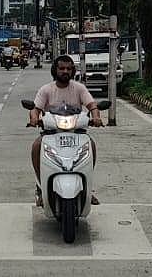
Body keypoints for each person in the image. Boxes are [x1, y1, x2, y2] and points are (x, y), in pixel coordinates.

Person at [28, 55, 102, 205]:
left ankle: (87, 188)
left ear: (73, 71)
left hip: (76, 133)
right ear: (55, 70)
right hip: (51, 133)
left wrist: (96, 117)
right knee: (36, 147)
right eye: (61, 68)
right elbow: (35, 109)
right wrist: (34, 118)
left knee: (91, 145)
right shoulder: (46, 89)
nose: (65, 71)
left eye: (68, 68)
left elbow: (92, 105)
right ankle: (42, 187)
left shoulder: (79, 88)